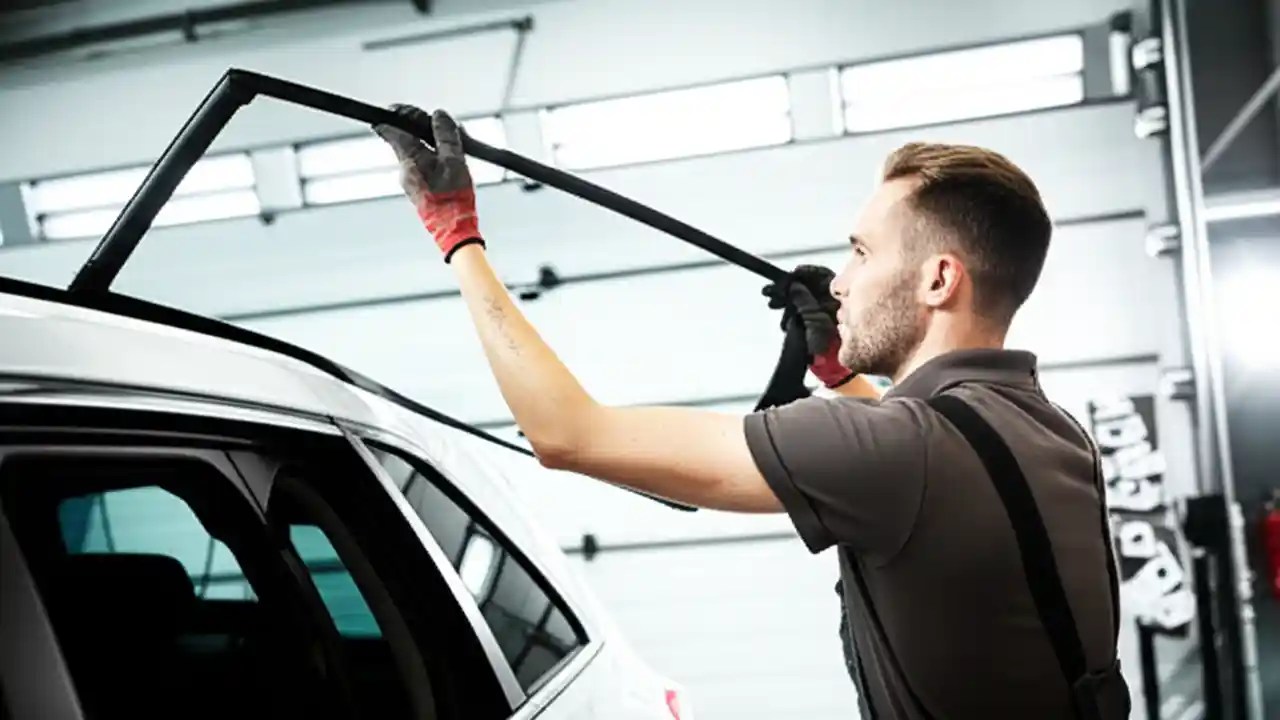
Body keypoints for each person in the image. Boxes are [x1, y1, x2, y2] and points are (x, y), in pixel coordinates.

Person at [373, 106, 1130, 719]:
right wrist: (837, 371)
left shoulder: (896, 451)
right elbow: (938, 471)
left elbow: (566, 432)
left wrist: (455, 231)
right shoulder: (1051, 430)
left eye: (861, 254)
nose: (841, 283)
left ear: (938, 280)